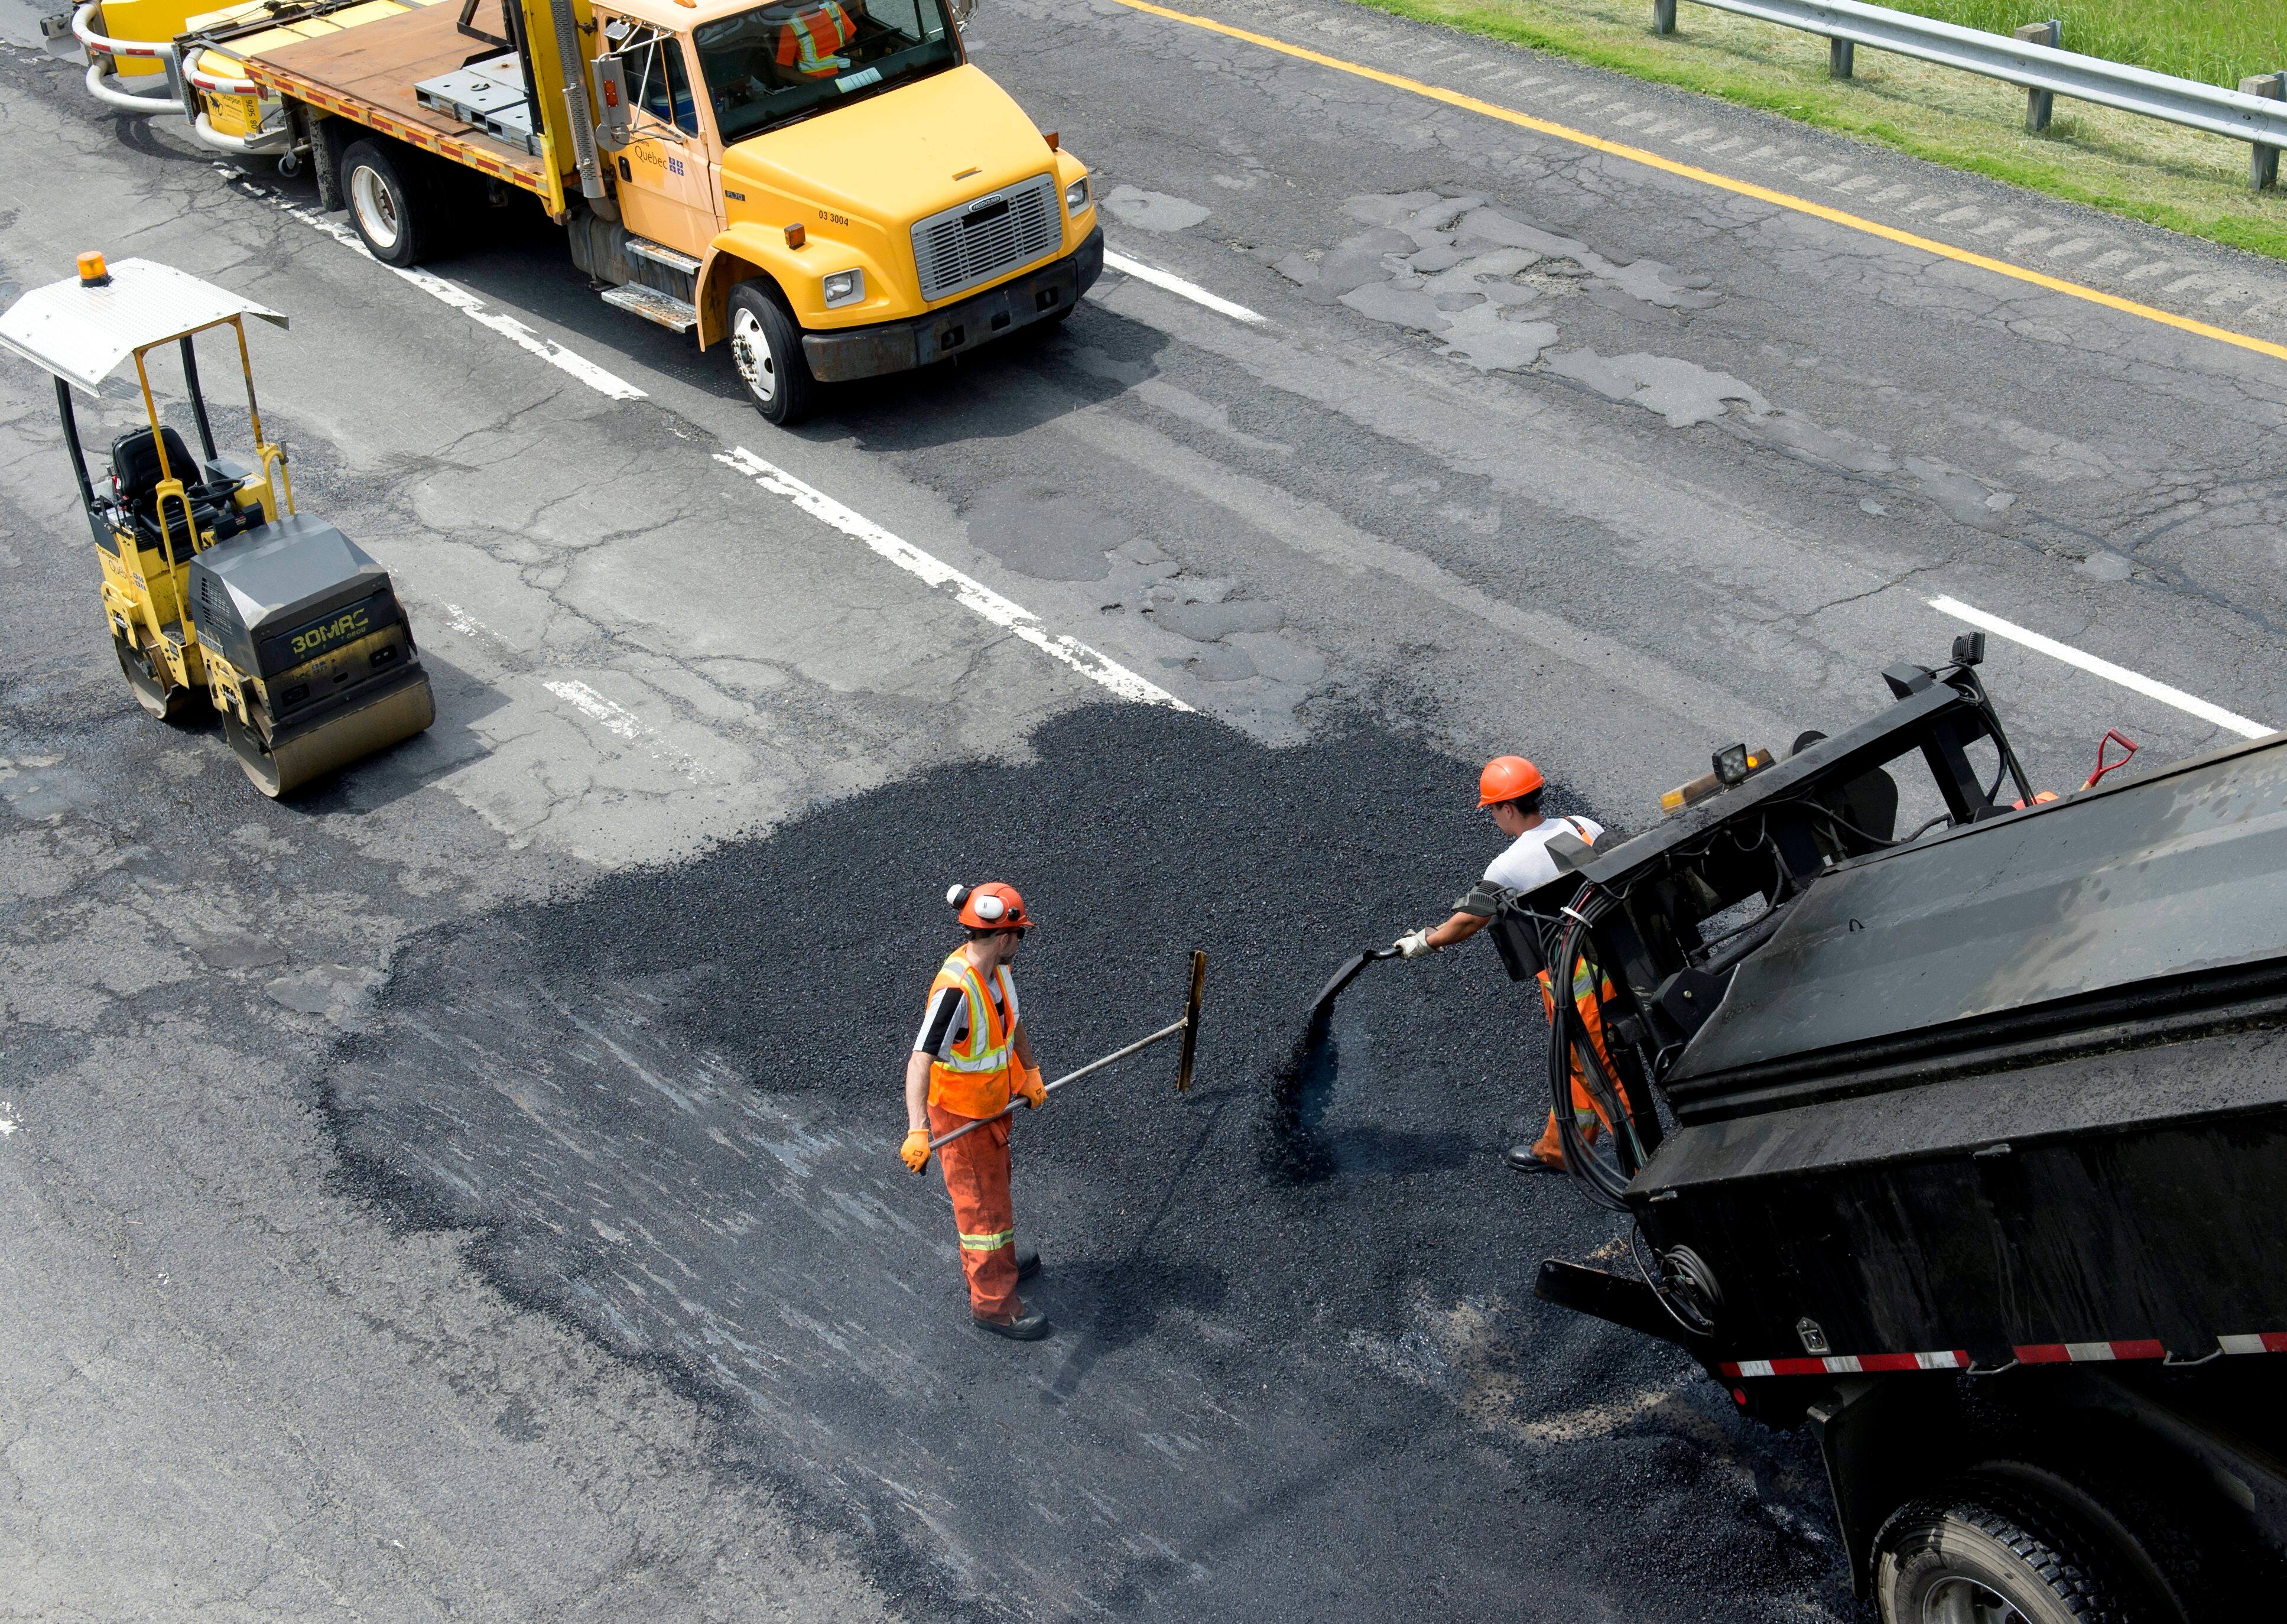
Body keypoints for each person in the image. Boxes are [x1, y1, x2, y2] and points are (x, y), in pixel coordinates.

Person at [1391, 755, 1626, 1172]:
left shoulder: (1509, 864)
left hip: (1577, 978)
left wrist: (1424, 942)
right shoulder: (1581, 824)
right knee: (1573, 1060)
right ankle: (1560, 1151)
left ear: (1506, 808)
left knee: (1599, 1071)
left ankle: (1651, 1169)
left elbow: (1469, 920)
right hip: (1618, 955)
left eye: (1493, 812)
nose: (1495, 820)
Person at [900, 882, 1050, 1340]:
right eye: (1020, 935)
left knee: (996, 1198)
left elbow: (1013, 1024)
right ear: (1004, 937)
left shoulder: (998, 973)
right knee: (981, 1217)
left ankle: (1001, 1266)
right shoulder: (957, 991)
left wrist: (1030, 1070)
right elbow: (920, 1060)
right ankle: (993, 1305)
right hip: (961, 1121)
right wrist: (917, 1131)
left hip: (992, 1111)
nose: (1021, 944)